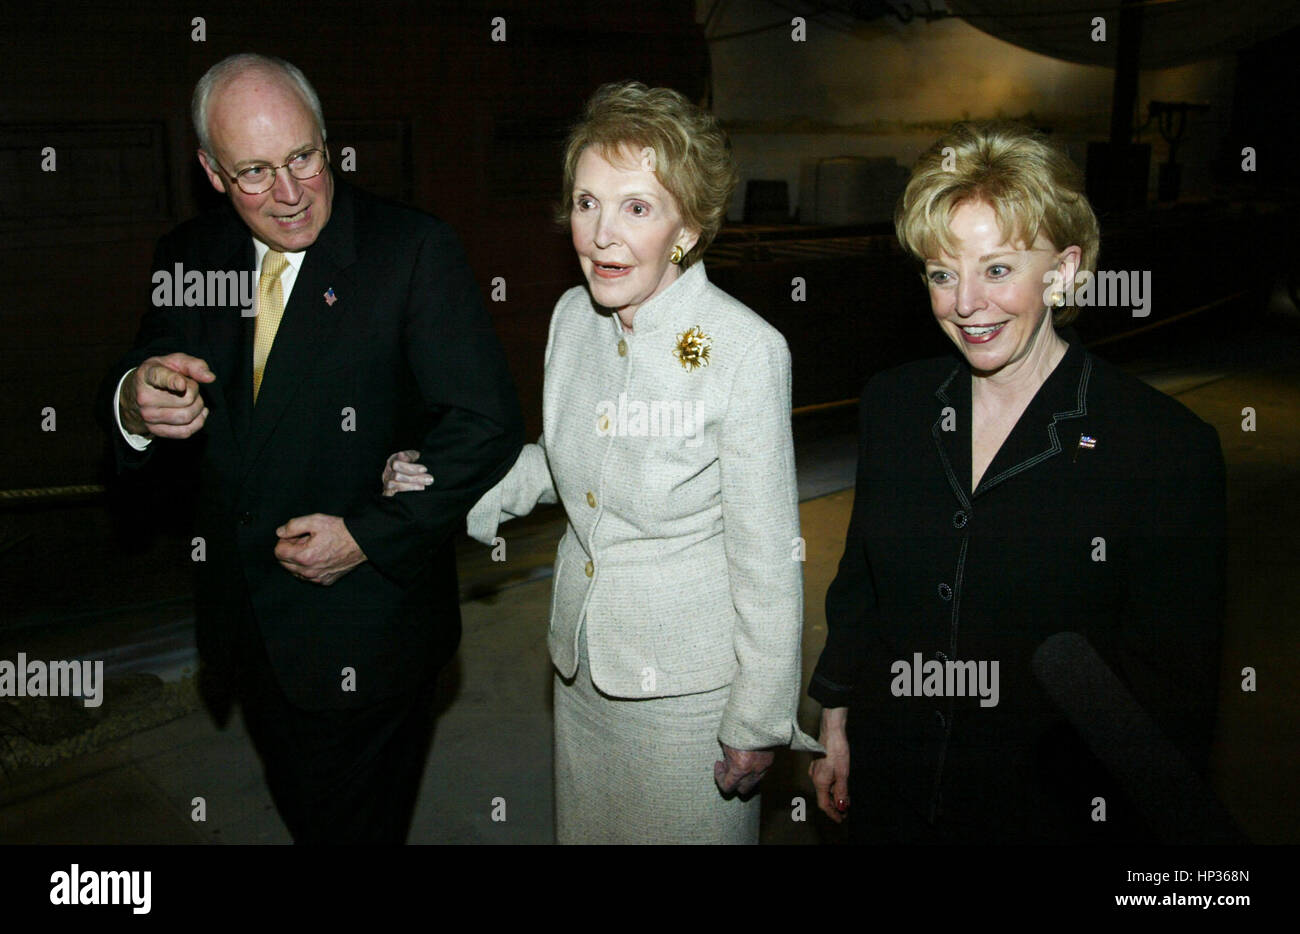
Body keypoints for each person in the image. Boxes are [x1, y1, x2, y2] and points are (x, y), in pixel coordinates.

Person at [97, 53, 523, 843]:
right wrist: (135, 398)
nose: (289, 195)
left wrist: (367, 535)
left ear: (328, 142)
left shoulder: (411, 252)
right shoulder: (188, 257)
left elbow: (486, 422)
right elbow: (145, 367)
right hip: (246, 630)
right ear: (211, 173)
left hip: (368, 630)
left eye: (302, 158)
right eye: (253, 173)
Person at [384, 81, 820, 844]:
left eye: (636, 208)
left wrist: (756, 718)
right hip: (583, 672)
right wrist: (444, 479)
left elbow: (768, 558)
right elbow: (565, 460)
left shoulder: (745, 352)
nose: (601, 235)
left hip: (689, 697)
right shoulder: (572, 318)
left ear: (687, 225)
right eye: (586, 203)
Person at [808, 122, 1228, 843]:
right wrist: (836, 717)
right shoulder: (896, 403)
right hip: (892, 791)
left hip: (1048, 815)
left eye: (997, 270)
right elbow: (863, 583)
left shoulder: (1162, 448)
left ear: (1063, 271)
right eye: (943, 274)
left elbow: (1173, 695)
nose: (966, 303)